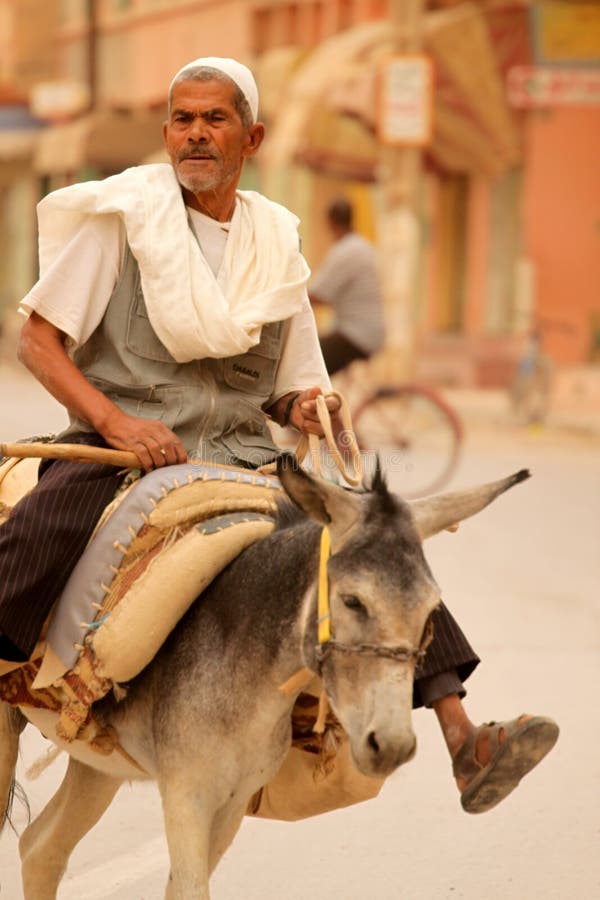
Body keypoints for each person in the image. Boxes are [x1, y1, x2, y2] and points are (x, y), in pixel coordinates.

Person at [0, 57, 557, 814]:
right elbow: (38, 343)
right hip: (122, 454)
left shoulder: (276, 246)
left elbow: (294, 383)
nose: (197, 134)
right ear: (167, 133)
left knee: (379, 544)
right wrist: (115, 421)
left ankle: (464, 738)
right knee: (34, 537)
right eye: (184, 120)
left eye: (215, 119)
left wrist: (303, 408)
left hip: (246, 462)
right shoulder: (119, 224)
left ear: (252, 138)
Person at [309, 196, 385, 375]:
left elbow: (317, 294)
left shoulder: (345, 251)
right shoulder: (364, 246)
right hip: (372, 332)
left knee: (309, 361)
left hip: (357, 334)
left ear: (330, 221)